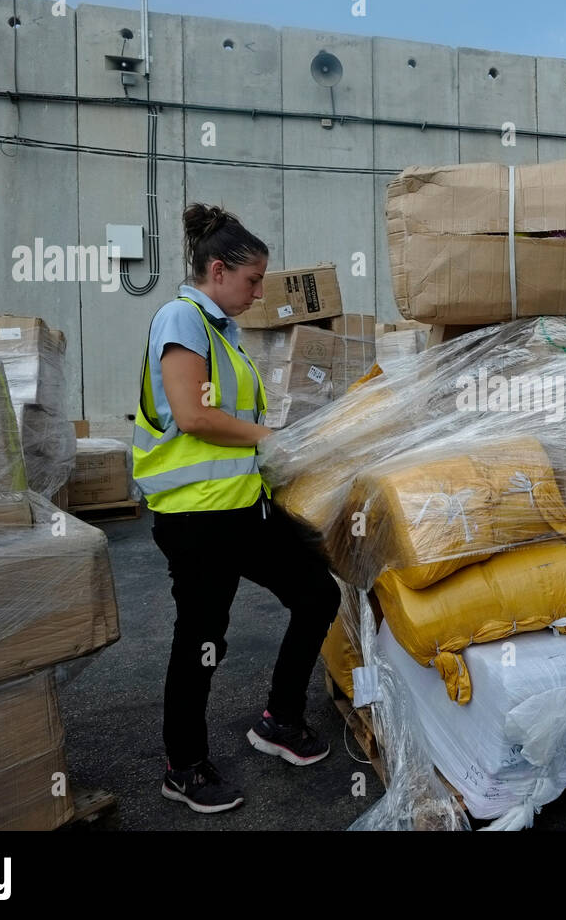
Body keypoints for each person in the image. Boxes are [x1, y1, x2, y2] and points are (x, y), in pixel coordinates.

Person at [132, 203, 340, 814]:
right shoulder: (181, 317)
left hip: (241, 510)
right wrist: (271, 440)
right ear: (217, 270)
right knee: (202, 639)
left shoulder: (224, 334)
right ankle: (185, 766)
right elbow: (194, 416)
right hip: (196, 518)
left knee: (315, 594)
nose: (257, 293)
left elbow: (236, 421)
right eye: (252, 281)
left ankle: (279, 719)